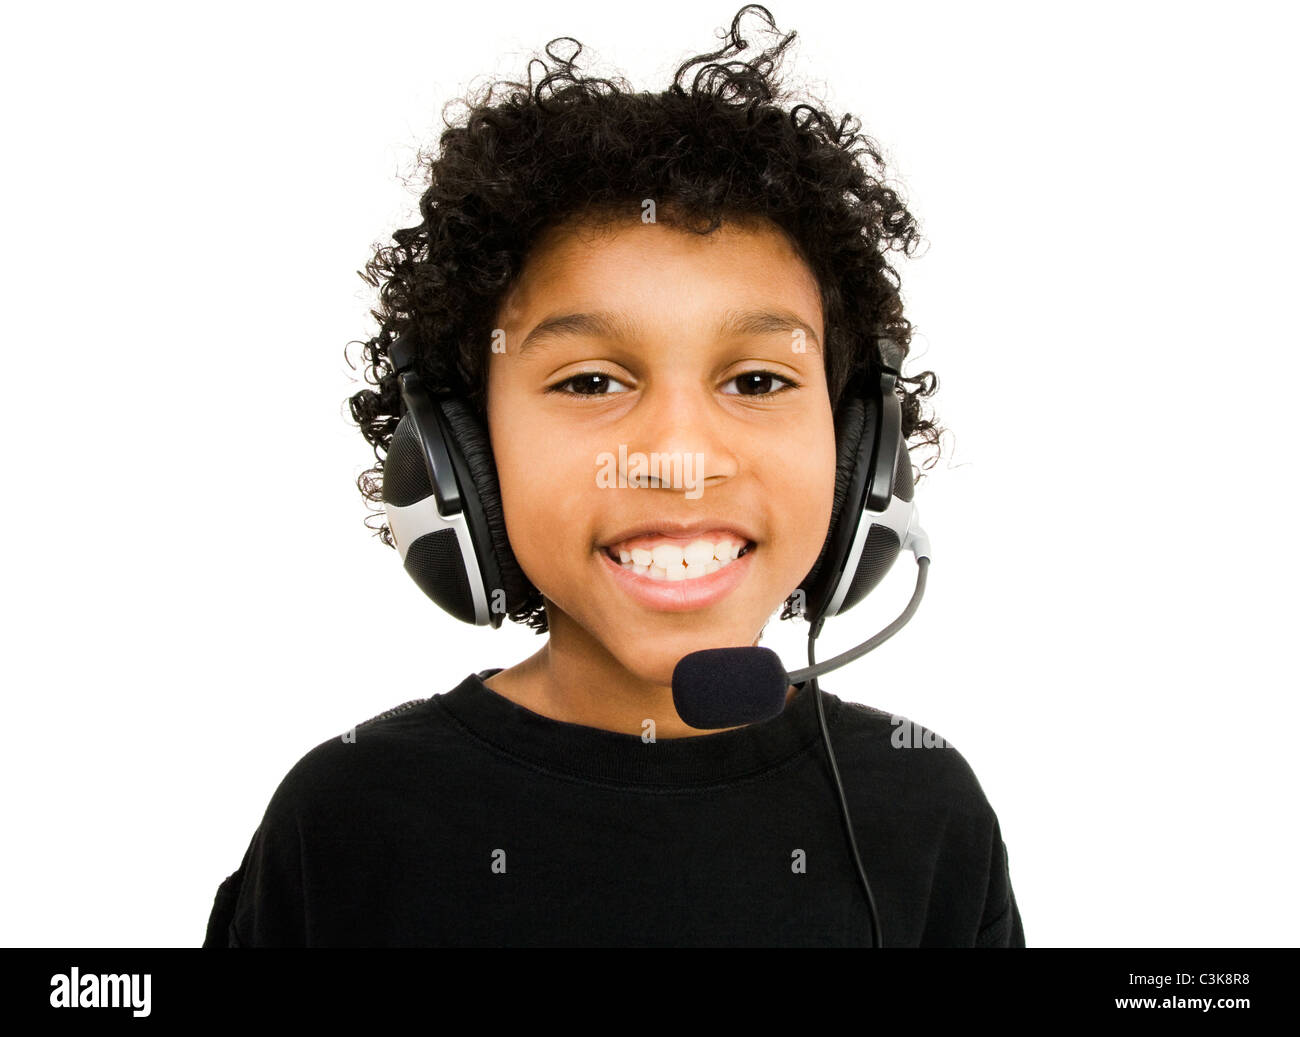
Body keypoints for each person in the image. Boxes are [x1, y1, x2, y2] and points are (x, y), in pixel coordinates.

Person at [203, 4, 1024, 947]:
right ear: (459, 453)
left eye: (758, 379)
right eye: (591, 380)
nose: (679, 458)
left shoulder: (925, 810)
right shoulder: (348, 818)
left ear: (856, 452)